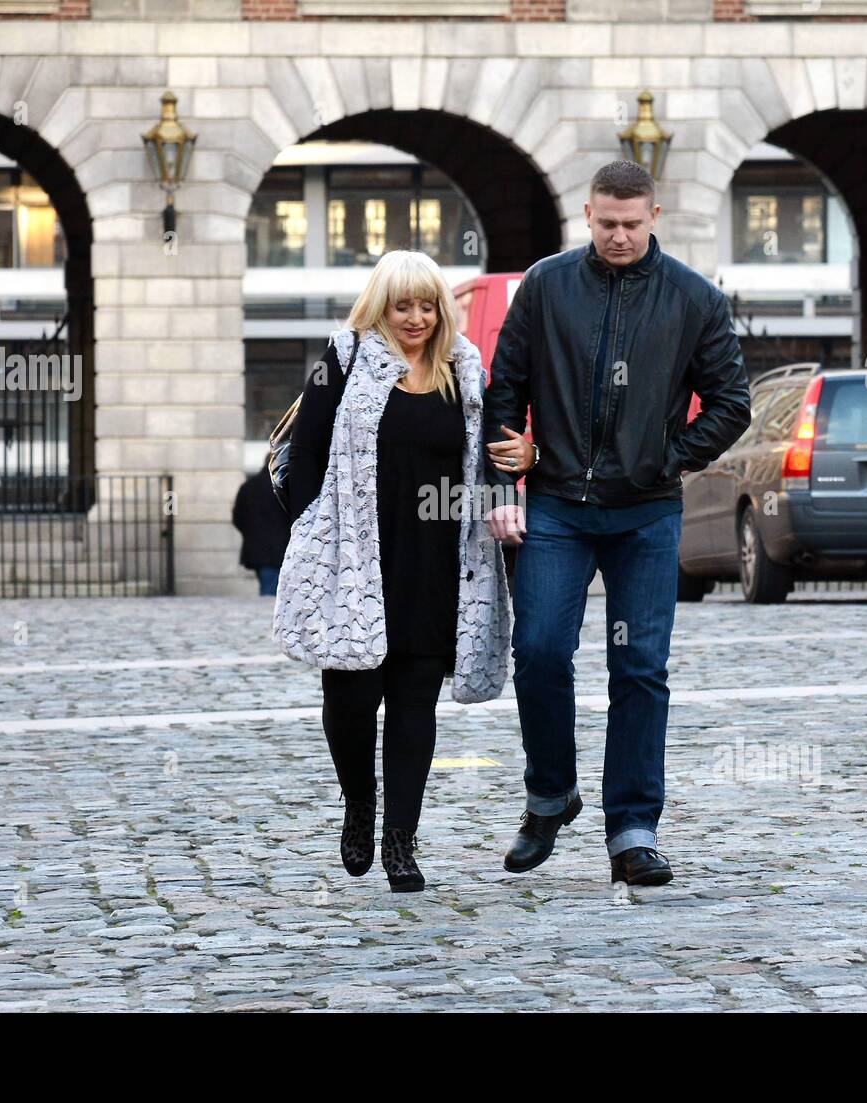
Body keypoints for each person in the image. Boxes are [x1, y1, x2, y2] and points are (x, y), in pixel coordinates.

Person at [483, 160, 751, 887]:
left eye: (632, 224)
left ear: (654, 215)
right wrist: (506, 482)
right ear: (587, 213)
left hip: (647, 512)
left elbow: (732, 401)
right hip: (559, 504)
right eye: (607, 223)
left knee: (639, 667)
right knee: (538, 649)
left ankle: (633, 826)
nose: (620, 236)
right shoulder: (547, 285)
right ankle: (550, 793)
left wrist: (668, 458)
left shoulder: (694, 298)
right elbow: (503, 388)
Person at [272, 250, 511, 893]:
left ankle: (401, 840)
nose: (415, 318)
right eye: (402, 305)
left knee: (414, 707)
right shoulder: (345, 358)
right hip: (357, 556)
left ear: (442, 308)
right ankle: (359, 805)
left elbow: (481, 463)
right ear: (381, 306)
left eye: (427, 305)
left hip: (434, 563)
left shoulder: (464, 368)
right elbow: (305, 453)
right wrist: (310, 527)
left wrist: (503, 499)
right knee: (348, 701)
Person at [232, 466, 289, 595]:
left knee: (268, 586)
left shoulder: (248, 487)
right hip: (281, 547)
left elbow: (238, 518)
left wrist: (251, 534)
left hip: (257, 549)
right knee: (272, 591)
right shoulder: (284, 486)